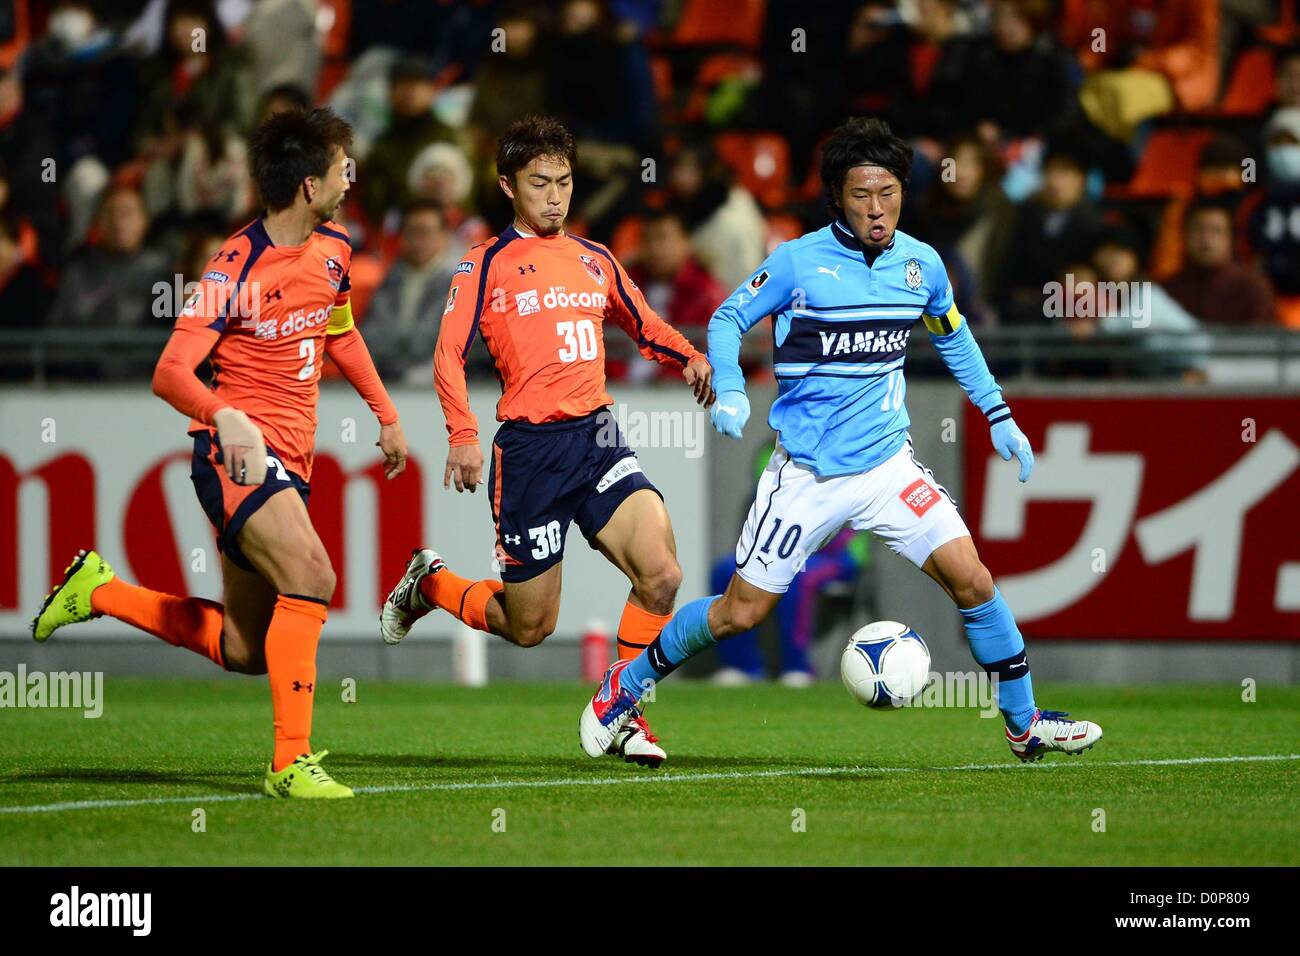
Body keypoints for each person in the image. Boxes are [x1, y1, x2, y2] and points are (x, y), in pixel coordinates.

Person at [580, 117, 1104, 764]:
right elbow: (727, 318)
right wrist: (735, 390)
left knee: (974, 579)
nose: (877, 208)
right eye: (862, 195)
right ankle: (622, 688)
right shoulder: (799, 262)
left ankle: (1024, 727)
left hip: (887, 467)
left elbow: (954, 335)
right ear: (837, 196)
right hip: (806, 473)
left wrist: (998, 413)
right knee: (740, 613)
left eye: (889, 193)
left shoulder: (923, 265)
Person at [30, 108, 409, 799]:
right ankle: (289, 764)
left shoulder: (336, 250)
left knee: (244, 651)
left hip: (290, 463)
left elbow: (342, 335)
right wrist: (224, 414)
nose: (350, 179)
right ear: (307, 184)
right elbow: (170, 371)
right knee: (314, 574)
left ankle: (99, 590)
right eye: (340, 167)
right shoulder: (235, 264)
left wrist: (386, 415)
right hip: (234, 456)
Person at [379, 116, 715, 768]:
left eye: (563, 181)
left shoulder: (595, 258)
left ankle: (622, 709)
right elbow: (447, 355)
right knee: (529, 627)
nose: (555, 196)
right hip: (530, 453)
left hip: (596, 438)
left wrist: (689, 357)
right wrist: (463, 434)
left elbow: (642, 324)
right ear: (508, 186)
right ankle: (430, 584)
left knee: (663, 575)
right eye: (540, 183)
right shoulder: (484, 263)